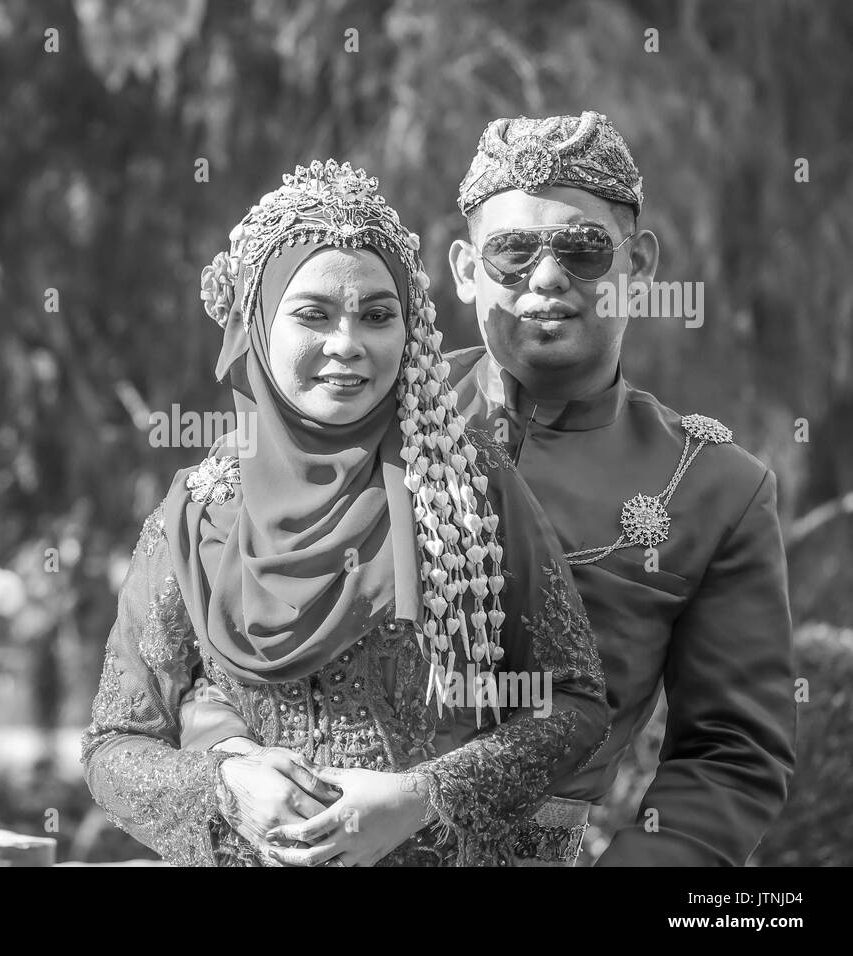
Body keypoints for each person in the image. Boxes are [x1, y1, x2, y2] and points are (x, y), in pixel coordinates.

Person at [81, 159, 609, 867]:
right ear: (258, 327)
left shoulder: (472, 492)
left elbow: (570, 703)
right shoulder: (196, 518)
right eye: (313, 314)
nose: (347, 344)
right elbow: (115, 744)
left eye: (376, 314)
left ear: (410, 330)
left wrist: (423, 798)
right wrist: (227, 786)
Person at [441, 111, 797, 866]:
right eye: (511, 252)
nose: (546, 279)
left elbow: (730, 754)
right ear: (466, 269)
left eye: (581, 249)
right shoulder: (374, 415)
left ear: (638, 263)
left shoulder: (714, 487)